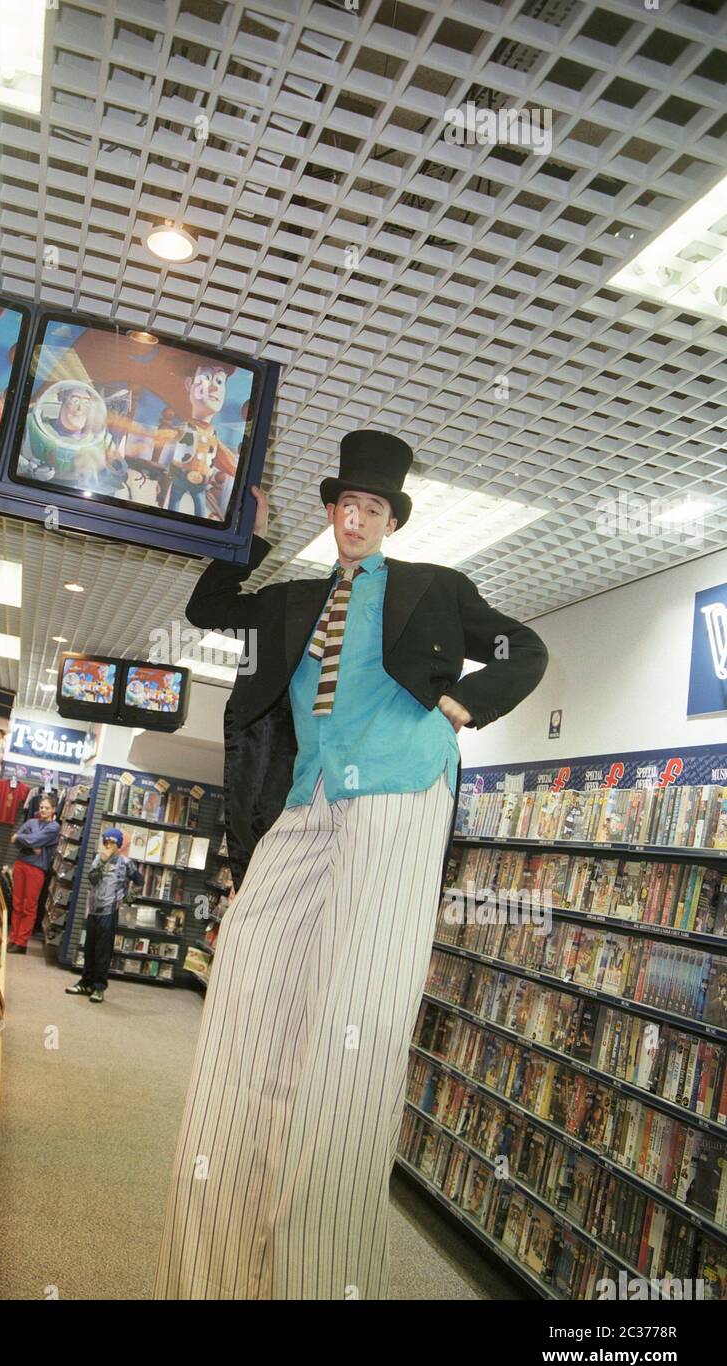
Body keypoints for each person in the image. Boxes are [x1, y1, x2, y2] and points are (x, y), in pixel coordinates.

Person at [152, 429, 549, 1300]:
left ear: (391, 520)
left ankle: (313, 1280)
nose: (355, 518)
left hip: (402, 788)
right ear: (332, 515)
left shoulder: (434, 590)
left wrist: (462, 705)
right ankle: (213, 1277)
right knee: (245, 998)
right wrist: (244, 534)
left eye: (371, 508)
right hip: (308, 800)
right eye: (345, 506)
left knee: (354, 1031)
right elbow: (208, 610)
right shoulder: (295, 598)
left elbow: (526, 647)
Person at [65, 828, 143, 1002]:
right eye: (106, 842)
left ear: (119, 845)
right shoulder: (97, 859)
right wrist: (102, 861)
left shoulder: (125, 862)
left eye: (113, 843)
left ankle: (99, 987)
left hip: (109, 911)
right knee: (89, 949)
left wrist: (128, 898)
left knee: (103, 951)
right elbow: (91, 879)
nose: (109, 846)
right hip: (93, 910)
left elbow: (139, 881)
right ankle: (86, 982)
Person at [8, 795, 59, 954]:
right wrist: (28, 842)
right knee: (17, 904)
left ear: (53, 810)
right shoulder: (31, 822)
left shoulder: (54, 827)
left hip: (36, 869)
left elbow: (32, 840)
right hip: (20, 864)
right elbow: (13, 840)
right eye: (42, 807)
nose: (43, 810)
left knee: (29, 906)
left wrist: (23, 838)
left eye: (47, 808)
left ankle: (22, 943)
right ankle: (13, 938)